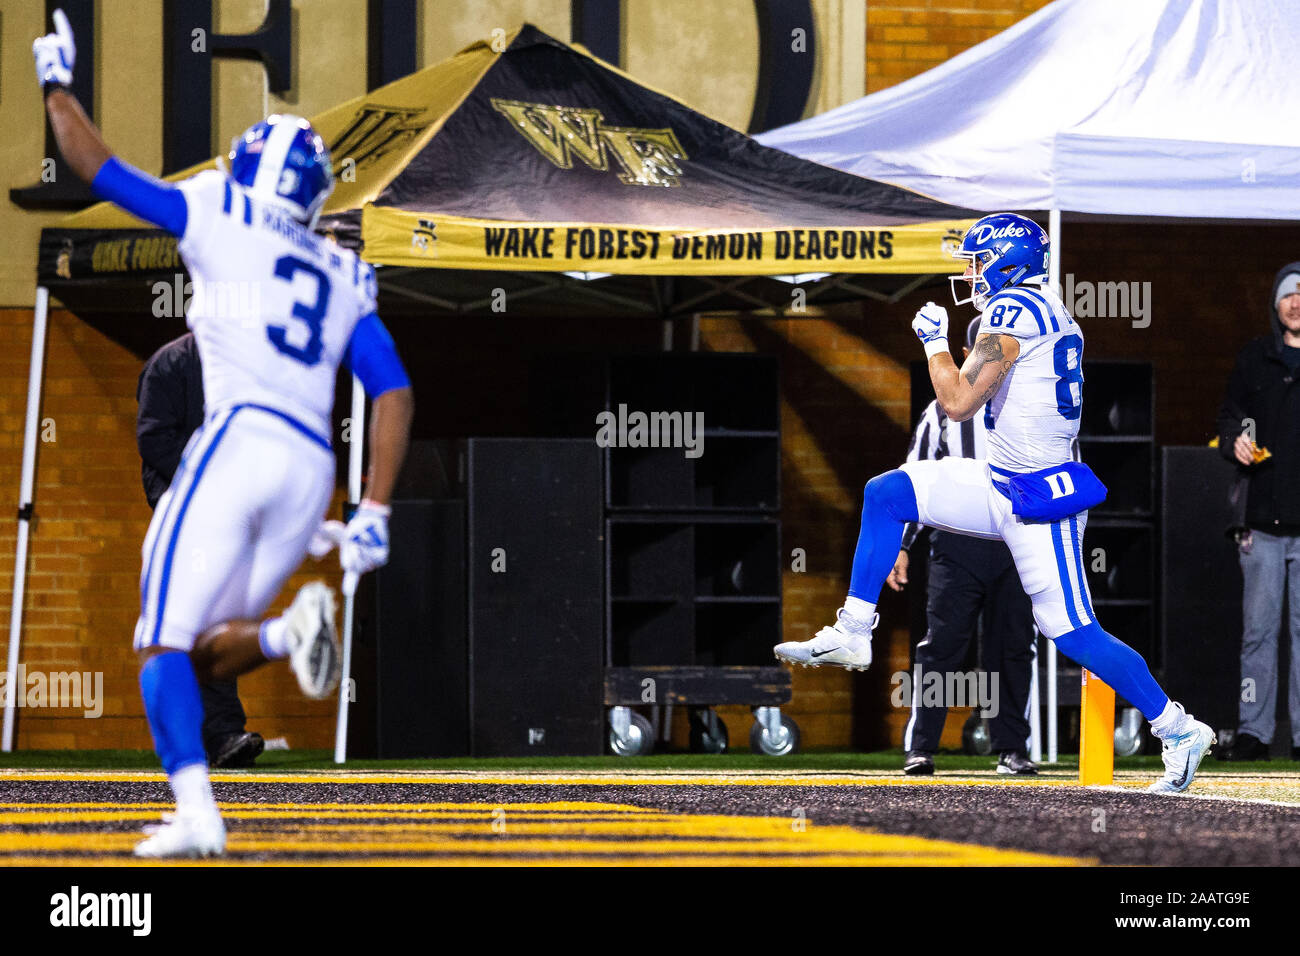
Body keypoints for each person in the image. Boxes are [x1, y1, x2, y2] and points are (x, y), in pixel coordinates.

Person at [35, 10, 415, 856]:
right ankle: (285, 635)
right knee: (205, 655)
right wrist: (376, 509)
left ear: (246, 167)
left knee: (159, 645)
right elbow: (391, 387)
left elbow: (97, 167)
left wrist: (57, 83)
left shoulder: (219, 207)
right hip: (309, 466)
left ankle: (198, 813)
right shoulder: (340, 267)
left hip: (239, 441)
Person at [775, 211, 1215, 793]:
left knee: (1075, 633)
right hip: (1000, 478)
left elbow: (956, 403)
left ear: (1008, 263)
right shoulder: (1043, 308)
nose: (972, 272)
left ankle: (1179, 728)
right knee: (886, 493)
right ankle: (855, 628)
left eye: (979, 260)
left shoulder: (1014, 310)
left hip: (1037, 497)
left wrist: (934, 343)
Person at [889, 318, 1039, 776]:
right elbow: (916, 476)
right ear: (970, 351)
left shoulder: (1032, 406)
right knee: (943, 647)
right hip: (957, 544)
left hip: (1017, 542)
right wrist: (901, 545)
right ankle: (922, 747)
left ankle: (1012, 748)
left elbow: (1061, 471)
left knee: (1013, 646)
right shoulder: (942, 411)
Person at [137, 333, 264, 769]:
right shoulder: (170, 363)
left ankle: (210, 735)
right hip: (183, 513)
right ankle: (218, 733)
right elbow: (153, 439)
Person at [1215, 263, 1300, 761]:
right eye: (1288, 293)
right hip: (1262, 522)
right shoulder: (1254, 358)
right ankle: (1254, 733)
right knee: (1259, 635)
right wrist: (1234, 441)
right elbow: (1228, 418)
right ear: (1276, 302)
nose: (1296, 302)